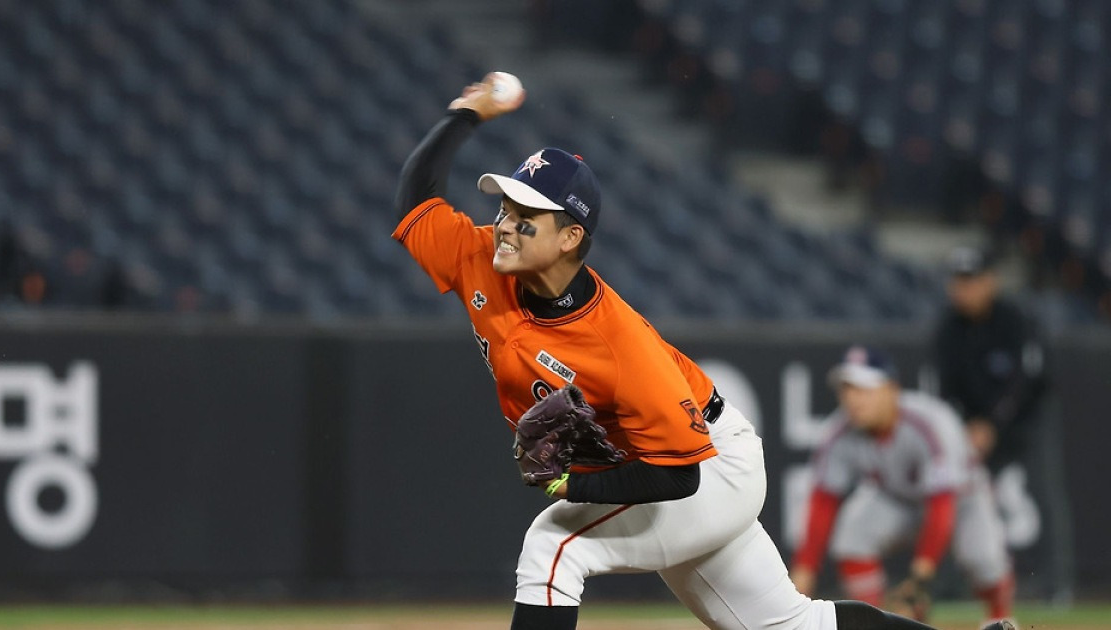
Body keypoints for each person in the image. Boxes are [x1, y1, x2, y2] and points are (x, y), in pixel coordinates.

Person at [392, 72, 1017, 630]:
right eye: (504, 205)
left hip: (709, 466)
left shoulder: (618, 343)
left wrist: (574, 480)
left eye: (527, 214)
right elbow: (417, 200)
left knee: (554, 547)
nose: (504, 222)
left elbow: (676, 474)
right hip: (673, 463)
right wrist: (463, 115)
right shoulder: (481, 258)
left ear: (570, 237)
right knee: (790, 627)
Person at [789, 345, 1016, 628]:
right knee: (852, 535)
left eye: (864, 389)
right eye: (846, 390)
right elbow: (823, 503)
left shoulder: (929, 422)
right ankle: (875, 622)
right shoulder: (838, 432)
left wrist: (919, 578)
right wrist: (805, 571)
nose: (853, 400)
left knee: (985, 562)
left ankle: (1000, 618)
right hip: (898, 499)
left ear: (892, 389)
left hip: (961, 500)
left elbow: (941, 505)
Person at [932, 246, 1047, 477]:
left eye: (971, 281)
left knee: (1031, 502)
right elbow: (939, 387)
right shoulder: (947, 328)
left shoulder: (1015, 320)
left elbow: (1026, 380)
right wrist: (965, 426)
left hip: (1019, 432)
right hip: (966, 435)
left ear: (991, 281)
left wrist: (993, 425)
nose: (964, 290)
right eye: (958, 281)